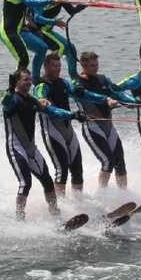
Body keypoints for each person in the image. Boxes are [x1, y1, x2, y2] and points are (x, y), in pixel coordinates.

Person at [1, 68, 83, 220]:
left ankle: (55, 213)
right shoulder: (12, 100)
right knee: (26, 183)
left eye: (29, 79)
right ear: (17, 82)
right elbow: (4, 101)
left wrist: (73, 115)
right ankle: (19, 217)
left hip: (32, 149)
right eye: (25, 79)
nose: (29, 82)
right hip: (16, 148)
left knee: (47, 181)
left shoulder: (32, 101)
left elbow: (52, 111)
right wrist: (10, 89)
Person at [33, 53, 112, 197]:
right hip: (53, 132)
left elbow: (84, 95)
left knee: (77, 169)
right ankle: (60, 206)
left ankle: (78, 203)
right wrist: (72, 114)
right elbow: (46, 105)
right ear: (46, 67)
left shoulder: (63, 83)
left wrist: (105, 99)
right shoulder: (42, 86)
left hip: (68, 130)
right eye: (54, 66)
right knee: (61, 170)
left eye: (59, 66)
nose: (57, 69)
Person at [74, 51, 139, 189]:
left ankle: (124, 194)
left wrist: (133, 101)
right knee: (107, 161)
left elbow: (117, 93)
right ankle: (102, 194)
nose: (96, 68)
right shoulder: (78, 83)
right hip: (92, 127)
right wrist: (106, 101)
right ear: (83, 65)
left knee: (120, 161)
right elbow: (88, 97)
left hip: (109, 126)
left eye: (96, 64)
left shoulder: (103, 79)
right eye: (92, 65)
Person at [31, 0, 85, 81]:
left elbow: (72, 11)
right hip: (38, 30)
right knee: (59, 47)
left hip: (48, 30)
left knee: (70, 48)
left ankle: (74, 77)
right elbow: (35, 17)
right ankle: (50, 75)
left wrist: (85, 4)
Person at [0, 0, 51, 73]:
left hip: (18, 30)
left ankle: (35, 79)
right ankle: (12, 89)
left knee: (41, 48)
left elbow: (32, 4)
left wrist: (48, 1)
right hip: (8, 32)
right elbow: (29, 1)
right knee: (23, 60)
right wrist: (48, 0)